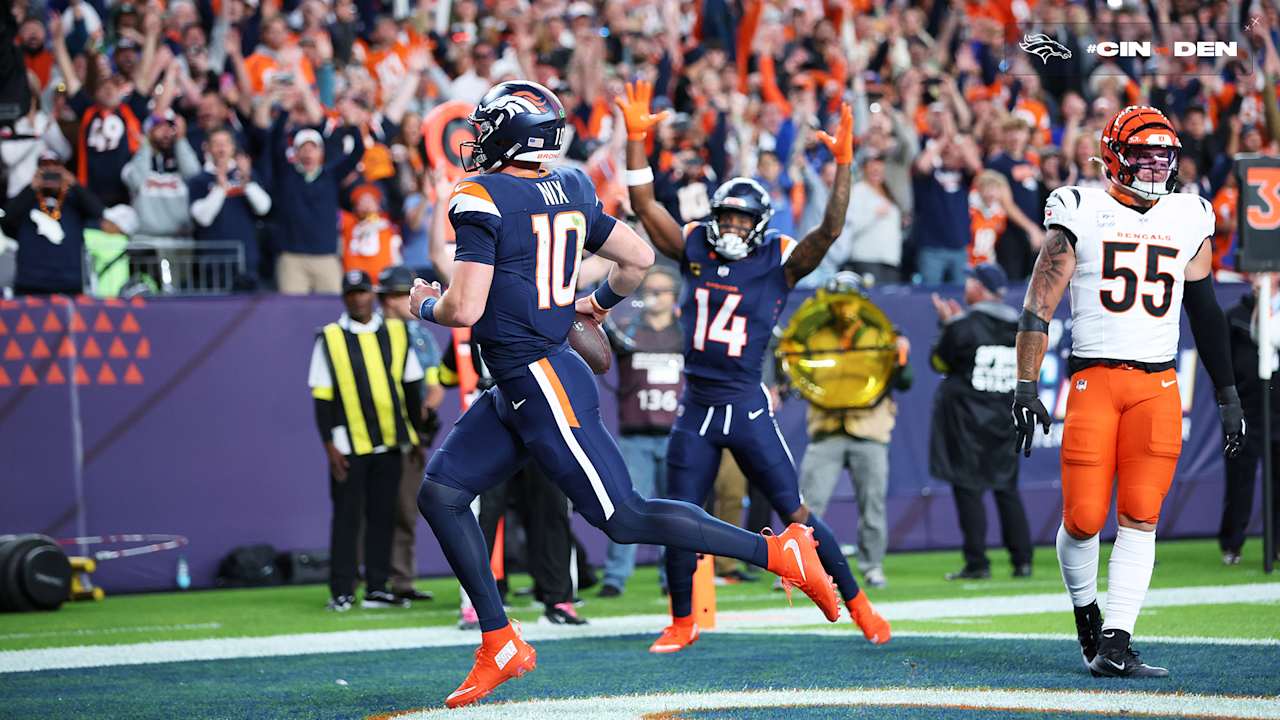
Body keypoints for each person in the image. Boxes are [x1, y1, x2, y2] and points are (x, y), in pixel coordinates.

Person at [407, 80, 837, 709]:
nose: (477, 135)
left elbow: (464, 305)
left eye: (485, 123)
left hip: (541, 378)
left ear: (507, 131)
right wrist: (594, 305)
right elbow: (636, 259)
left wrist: (422, 303)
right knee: (441, 492)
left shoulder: (480, 196)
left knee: (626, 516)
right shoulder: (573, 185)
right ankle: (499, 639)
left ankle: (777, 551)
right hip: (526, 378)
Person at [619, 79, 890, 653]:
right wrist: (636, 141)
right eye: (729, 218)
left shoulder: (778, 260)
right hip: (696, 406)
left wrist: (844, 163)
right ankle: (683, 619)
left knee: (797, 515)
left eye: (745, 221)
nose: (735, 228)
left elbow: (831, 229)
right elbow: (644, 206)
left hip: (745, 403)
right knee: (677, 518)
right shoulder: (696, 245)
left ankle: (858, 602)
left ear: (761, 225)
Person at [1013, 106, 1245, 678]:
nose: (1154, 165)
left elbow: (1206, 310)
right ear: (1114, 155)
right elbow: (1039, 301)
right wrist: (1024, 381)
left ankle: (1116, 640)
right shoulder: (1080, 208)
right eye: (1142, 154)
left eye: (1163, 155)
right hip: (1095, 378)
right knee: (1086, 516)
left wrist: (1228, 392)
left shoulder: (1189, 214)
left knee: (1142, 513)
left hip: (1159, 383)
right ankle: (1086, 610)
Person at [309, 269, 426, 612]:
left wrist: (416, 436)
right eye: (352, 293)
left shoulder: (397, 332)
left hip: (391, 440)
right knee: (347, 518)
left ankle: (377, 586)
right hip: (349, 443)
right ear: (344, 298)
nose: (358, 298)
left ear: (372, 295)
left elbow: (411, 388)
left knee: (383, 516)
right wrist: (329, 445)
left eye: (363, 292)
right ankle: (342, 589)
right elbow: (322, 398)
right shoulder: (329, 338)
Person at [798, 275, 914, 590]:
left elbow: (905, 382)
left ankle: (872, 566)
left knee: (872, 503)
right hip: (826, 427)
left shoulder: (880, 334)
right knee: (807, 503)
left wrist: (901, 358)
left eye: (849, 299)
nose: (843, 307)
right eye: (837, 299)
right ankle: (800, 567)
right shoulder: (814, 336)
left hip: (870, 426)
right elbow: (800, 378)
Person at [929, 263, 1032, 581]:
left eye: (971, 280)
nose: (966, 285)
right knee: (1007, 490)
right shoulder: (1020, 327)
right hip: (1005, 419)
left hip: (966, 423)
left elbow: (938, 361)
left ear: (981, 289)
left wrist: (947, 325)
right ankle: (1022, 560)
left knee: (968, 489)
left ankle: (977, 562)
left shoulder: (965, 325)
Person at [597, 266, 684, 597]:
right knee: (627, 507)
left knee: (676, 511)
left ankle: (672, 575)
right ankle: (615, 577)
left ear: (674, 296)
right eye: (649, 290)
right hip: (635, 434)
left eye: (661, 291)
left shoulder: (684, 333)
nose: (653, 296)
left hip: (675, 434)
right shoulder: (628, 329)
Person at [375, 265, 443, 602]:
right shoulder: (370, 333)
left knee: (404, 509)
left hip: (408, 435)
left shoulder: (421, 335)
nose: (406, 301)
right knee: (372, 510)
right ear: (386, 300)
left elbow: (436, 385)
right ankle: (373, 579)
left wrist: (422, 410)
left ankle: (401, 580)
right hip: (375, 433)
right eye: (400, 294)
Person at [1220, 283, 1280, 564]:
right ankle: (1233, 544)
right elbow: (1223, 364)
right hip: (1247, 409)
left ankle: (1276, 545)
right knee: (1240, 481)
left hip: (1277, 408)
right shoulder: (1235, 315)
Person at [1, 151, 103, 295]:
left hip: (69, 283)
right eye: (45, 168)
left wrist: (73, 184)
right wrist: (31, 188)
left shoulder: (74, 200)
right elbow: (6, 217)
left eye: (55, 168)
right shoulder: (26, 200)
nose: (50, 173)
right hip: (30, 283)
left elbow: (99, 212)